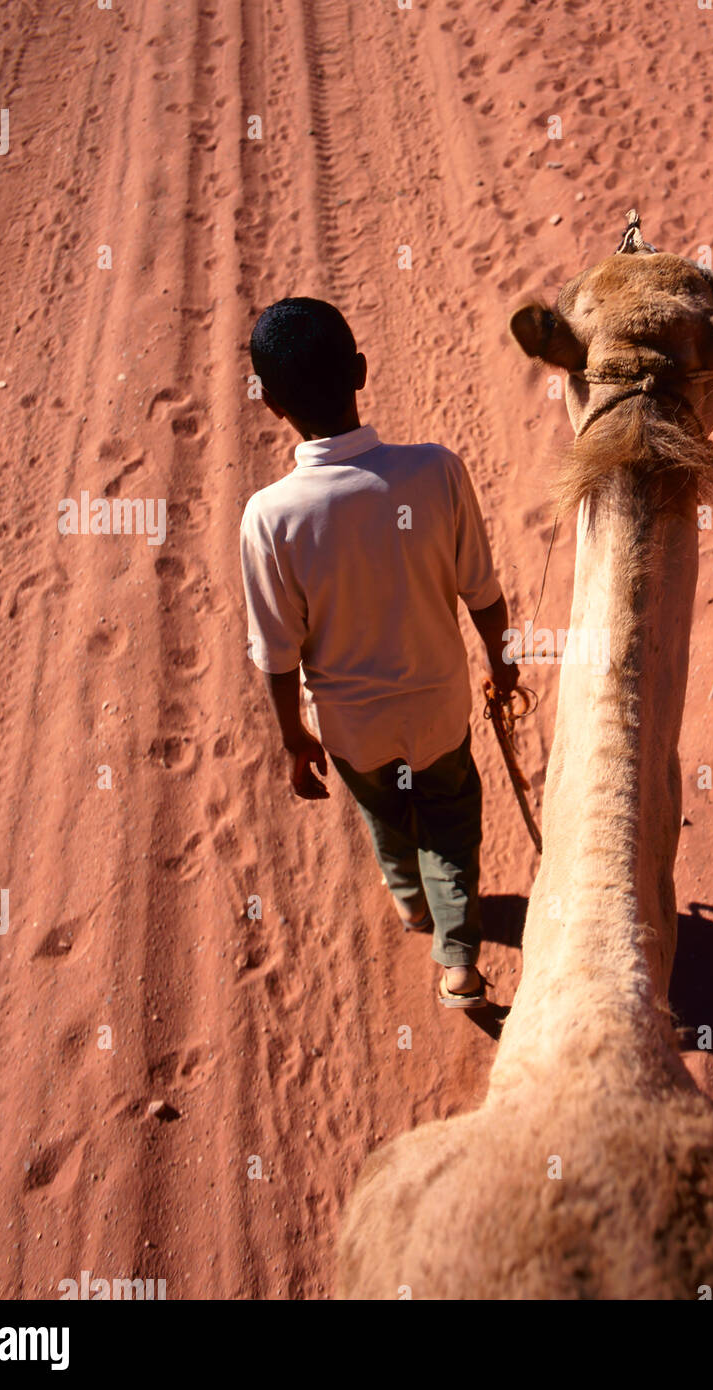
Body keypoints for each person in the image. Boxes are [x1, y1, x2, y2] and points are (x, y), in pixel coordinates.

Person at [240, 297, 516, 1008]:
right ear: (360, 370)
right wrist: (501, 661)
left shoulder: (270, 517)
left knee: (385, 812)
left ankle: (409, 904)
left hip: (350, 728)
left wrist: (294, 739)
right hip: (437, 708)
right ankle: (457, 962)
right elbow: (481, 593)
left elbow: (276, 653)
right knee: (452, 821)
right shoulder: (434, 471)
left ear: (270, 404)